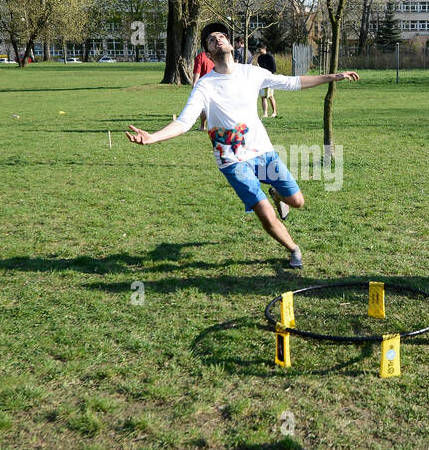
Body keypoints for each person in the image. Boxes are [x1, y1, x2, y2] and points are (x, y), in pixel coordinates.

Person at [127, 21, 359, 268]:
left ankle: (278, 195)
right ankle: (293, 249)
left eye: (221, 36)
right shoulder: (205, 85)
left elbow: (292, 82)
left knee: (297, 201)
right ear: (208, 52)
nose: (218, 39)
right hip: (232, 160)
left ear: (229, 43)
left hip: (264, 153)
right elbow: (184, 122)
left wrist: (333, 76)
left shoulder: (252, 72)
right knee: (263, 210)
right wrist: (153, 136)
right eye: (211, 39)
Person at [255, 40, 279, 118]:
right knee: (263, 96)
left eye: (259, 49)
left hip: (269, 79)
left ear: (263, 48)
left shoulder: (269, 56)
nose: (258, 51)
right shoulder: (259, 58)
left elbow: (274, 69)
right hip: (261, 79)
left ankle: (274, 112)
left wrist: (267, 74)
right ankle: (265, 113)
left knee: (270, 96)